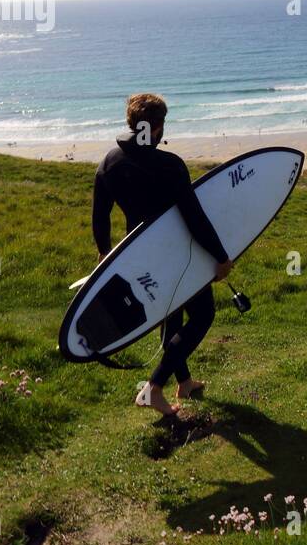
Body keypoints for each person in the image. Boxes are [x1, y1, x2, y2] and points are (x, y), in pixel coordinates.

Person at [92, 93, 232, 416]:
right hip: (176, 255)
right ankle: (154, 388)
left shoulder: (110, 163)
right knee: (203, 314)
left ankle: (184, 382)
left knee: (171, 314)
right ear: (156, 128)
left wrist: (103, 252)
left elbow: (100, 216)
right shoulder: (170, 166)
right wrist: (220, 257)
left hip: (139, 255)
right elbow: (194, 216)